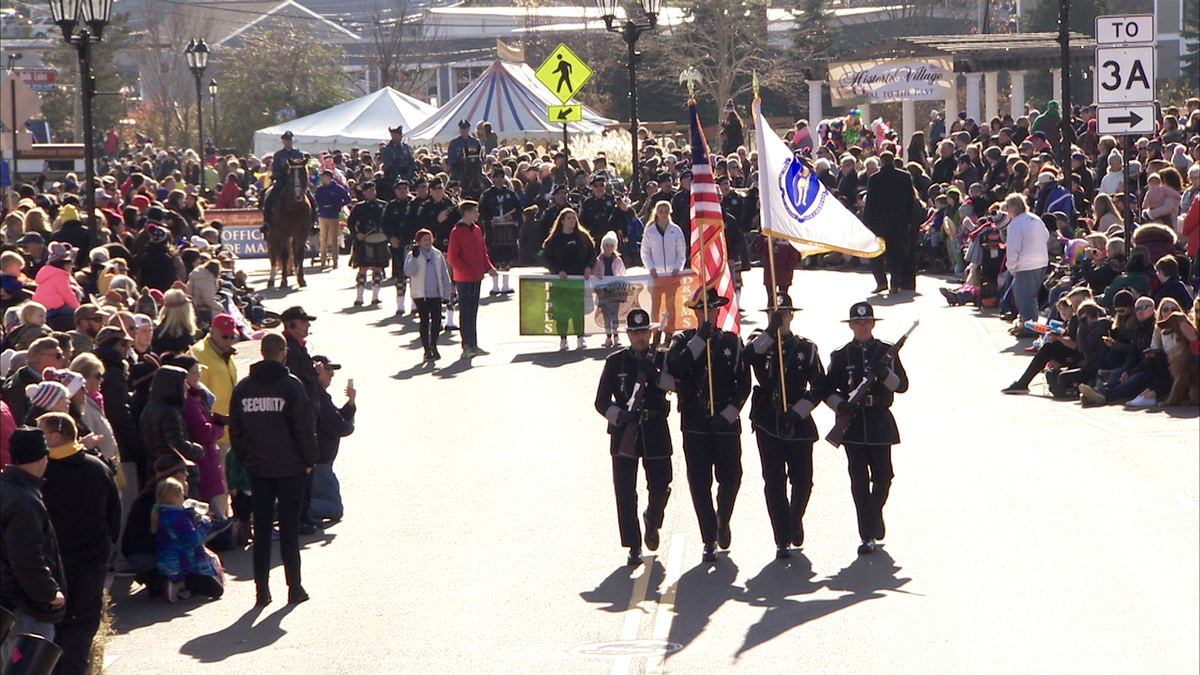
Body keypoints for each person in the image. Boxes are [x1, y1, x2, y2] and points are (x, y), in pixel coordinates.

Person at [230, 333, 318, 606]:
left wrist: (246, 460)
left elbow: (237, 429)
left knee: (263, 530)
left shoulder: (244, 388)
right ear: (283, 353)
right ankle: (295, 588)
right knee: (289, 531)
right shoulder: (291, 386)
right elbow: (303, 426)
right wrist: (308, 460)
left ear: (261, 351)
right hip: (290, 467)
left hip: (259, 468)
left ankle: (262, 591)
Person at [665, 287, 751, 563]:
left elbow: (743, 384)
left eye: (711, 309)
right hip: (695, 421)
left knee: (732, 477)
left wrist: (729, 413)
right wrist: (699, 341)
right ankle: (709, 537)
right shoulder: (684, 340)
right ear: (695, 312)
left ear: (718, 311)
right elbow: (674, 370)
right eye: (701, 309)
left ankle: (722, 518)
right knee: (699, 483)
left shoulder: (732, 342)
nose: (707, 314)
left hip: (724, 421)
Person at [743, 293, 827, 559]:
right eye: (773, 314)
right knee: (774, 481)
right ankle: (781, 537)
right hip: (768, 419)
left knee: (803, 480)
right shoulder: (760, 342)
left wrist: (799, 411)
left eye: (783, 314)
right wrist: (770, 329)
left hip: (797, 417)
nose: (779, 318)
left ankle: (795, 518)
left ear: (792, 315)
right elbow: (746, 357)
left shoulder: (805, 348)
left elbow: (819, 386)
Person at [36, 412, 120, 675]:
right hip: (90, 562)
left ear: (57, 436)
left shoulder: (42, 473)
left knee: (55, 631)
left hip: (53, 566)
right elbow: (114, 516)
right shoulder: (97, 467)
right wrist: (104, 552)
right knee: (82, 631)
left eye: (42, 432)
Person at [824, 302, 909, 555]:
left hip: (880, 418)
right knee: (859, 479)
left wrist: (885, 374)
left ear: (872, 324)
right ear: (851, 325)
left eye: (867, 322)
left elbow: (902, 385)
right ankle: (867, 533)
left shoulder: (886, 351)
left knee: (884, 476)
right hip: (853, 423)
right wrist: (840, 406)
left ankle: (874, 514)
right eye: (858, 322)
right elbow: (827, 388)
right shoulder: (841, 355)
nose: (862, 326)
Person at [594, 309, 673, 566]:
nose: (640, 337)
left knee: (661, 484)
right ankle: (634, 545)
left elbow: (679, 385)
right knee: (625, 491)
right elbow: (601, 401)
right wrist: (619, 415)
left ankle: (653, 517)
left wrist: (656, 374)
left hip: (655, 427)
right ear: (627, 334)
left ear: (651, 333)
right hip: (625, 431)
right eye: (635, 333)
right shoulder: (616, 362)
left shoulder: (662, 358)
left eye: (644, 332)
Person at [0, 427, 65, 664]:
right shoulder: (24, 500)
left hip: (9, 601)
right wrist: (49, 593)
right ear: (41, 458)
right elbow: (26, 557)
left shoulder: (8, 489)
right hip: (25, 605)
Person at [151, 476, 224, 603]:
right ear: (174, 498)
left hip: (167, 564)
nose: (184, 499)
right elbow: (192, 541)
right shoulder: (179, 517)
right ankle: (181, 583)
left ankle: (175, 584)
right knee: (217, 590)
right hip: (185, 565)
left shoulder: (161, 514)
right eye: (181, 496)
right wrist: (204, 524)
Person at [307, 355, 355, 525]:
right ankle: (288, 508)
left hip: (318, 463)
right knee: (333, 508)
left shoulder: (319, 395)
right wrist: (350, 426)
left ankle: (288, 507)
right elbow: (337, 425)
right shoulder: (318, 396)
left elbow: (337, 417)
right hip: (319, 464)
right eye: (328, 370)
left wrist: (351, 403)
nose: (332, 375)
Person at [446, 201, 498, 359]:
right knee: (466, 311)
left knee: (473, 311)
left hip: (476, 277)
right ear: (467, 213)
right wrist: (468, 270)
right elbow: (452, 257)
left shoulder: (476, 230)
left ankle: (473, 343)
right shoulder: (456, 232)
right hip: (465, 278)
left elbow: (483, 252)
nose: (478, 214)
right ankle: (467, 345)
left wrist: (489, 267)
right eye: (475, 211)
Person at [542, 208, 596, 351]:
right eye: (569, 218)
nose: (572, 221)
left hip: (578, 280)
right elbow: (546, 257)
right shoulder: (554, 240)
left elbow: (592, 253)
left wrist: (588, 267)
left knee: (578, 310)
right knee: (562, 312)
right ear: (562, 221)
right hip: (561, 282)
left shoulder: (583, 237)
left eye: (574, 218)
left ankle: (580, 337)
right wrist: (558, 271)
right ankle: (563, 339)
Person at [863, 151, 915, 294]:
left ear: (881, 162)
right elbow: (911, 201)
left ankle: (881, 282)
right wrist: (909, 219)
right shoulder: (904, 177)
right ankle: (894, 285)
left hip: (878, 222)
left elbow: (870, 203)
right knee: (896, 255)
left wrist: (866, 222)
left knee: (876, 253)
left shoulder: (874, 179)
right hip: (899, 221)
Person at [403, 229, 452, 362]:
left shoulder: (437, 254)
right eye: (424, 240)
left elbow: (444, 274)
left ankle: (433, 345)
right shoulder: (413, 254)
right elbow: (408, 272)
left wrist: (446, 293)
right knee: (424, 321)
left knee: (437, 321)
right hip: (420, 294)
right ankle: (426, 349)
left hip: (435, 293)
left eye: (430, 239)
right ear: (418, 241)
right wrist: (413, 257)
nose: (427, 242)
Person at [1002, 193, 1050, 327]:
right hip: (1041, 262)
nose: (1006, 210)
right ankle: (1030, 323)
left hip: (1026, 264)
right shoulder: (1036, 219)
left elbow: (1013, 247)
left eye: (1008, 206)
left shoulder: (1016, 223)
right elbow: (1046, 236)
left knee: (1023, 297)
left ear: (1013, 207)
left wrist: (1011, 267)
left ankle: (1029, 326)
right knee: (1031, 295)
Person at [479, 166, 522, 297]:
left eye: (501, 176)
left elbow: (519, 209)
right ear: (492, 178)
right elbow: (481, 212)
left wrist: (512, 217)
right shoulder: (487, 195)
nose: (499, 179)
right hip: (493, 229)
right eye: (496, 176)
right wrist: (491, 220)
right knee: (495, 257)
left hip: (508, 229)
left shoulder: (510, 194)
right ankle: (496, 285)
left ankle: (506, 284)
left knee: (507, 257)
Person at [347, 182, 389, 307]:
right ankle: (359, 297)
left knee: (377, 269)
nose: (371, 192)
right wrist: (357, 234)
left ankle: (376, 297)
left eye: (373, 190)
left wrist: (384, 230)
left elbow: (389, 221)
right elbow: (351, 223)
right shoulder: (359, 207)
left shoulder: (383, 206)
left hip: (379, 241)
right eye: (368, 190)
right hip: (363, 241)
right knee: (363, 269)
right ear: (364, 192)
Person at [280, 306, 321, 416]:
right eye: (304, 322)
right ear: (291, 324)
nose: (308, 325)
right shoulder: (289, 349)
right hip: (298, 411)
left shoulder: (297, 345)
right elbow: (293, 380)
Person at [314, 169, 353, 269]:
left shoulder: (338, 189)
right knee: (323, 238)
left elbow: (348, 199)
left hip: (334, 215)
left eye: (325, 176)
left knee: (334, 238)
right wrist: (319, 205)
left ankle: (335, 260)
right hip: (323, 215)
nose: (323, 178)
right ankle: (323, 259)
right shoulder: (320, 189)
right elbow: (316, 200)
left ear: (330, 178)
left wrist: (340, 205)